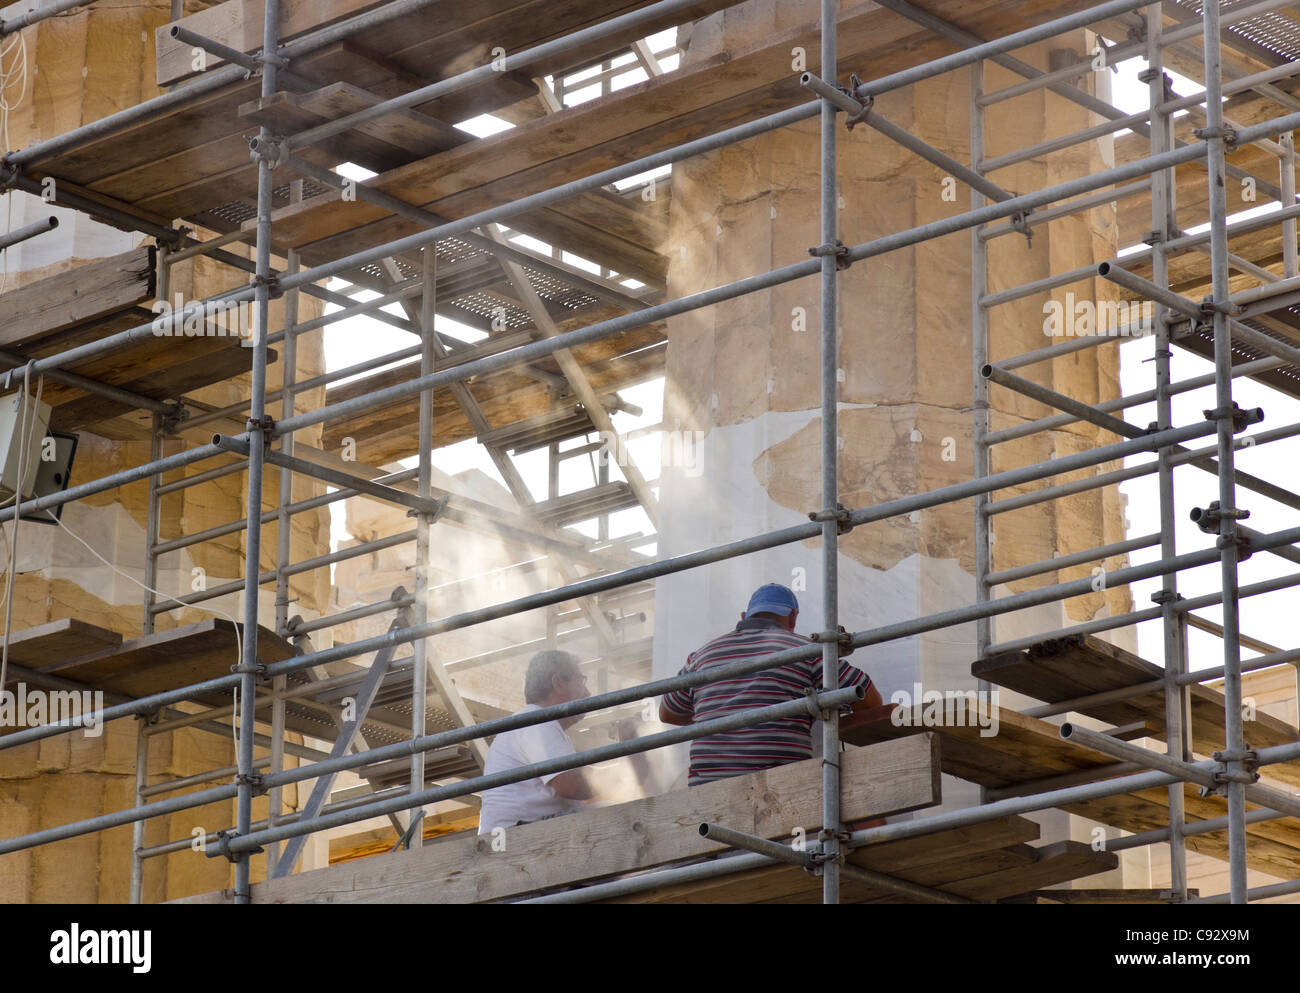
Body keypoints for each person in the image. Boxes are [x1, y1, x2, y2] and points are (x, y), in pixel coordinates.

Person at [657, 583, 883, 786]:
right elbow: (871, 700)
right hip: (782, 785)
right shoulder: (805, 651)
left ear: (745, 616)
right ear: (793, 618)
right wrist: (816, 709)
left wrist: (719, 720)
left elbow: (668, 713)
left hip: (707, 787)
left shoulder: (702, 656)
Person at [478, 649, 594, 834]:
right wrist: (630, 768)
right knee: (614, 813)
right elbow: (571, 785)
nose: (587, 693)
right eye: (581, 680)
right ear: (558, 683)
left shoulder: (537, 723)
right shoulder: (537, 720)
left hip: (514, 833)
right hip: (517, 834)